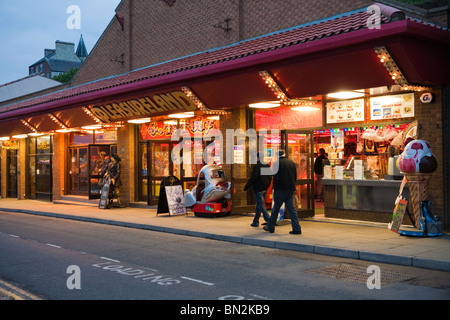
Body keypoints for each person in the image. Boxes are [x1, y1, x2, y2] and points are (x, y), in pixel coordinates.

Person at [263, 150, 302, 235]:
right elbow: (294, 176)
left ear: (277, 156)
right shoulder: (291, 163)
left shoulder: (277, 163)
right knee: (292, 209)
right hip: (290, 189)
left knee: (275, 209)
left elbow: (276, 177)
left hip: (280, 189)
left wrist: (275, 187)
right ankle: (297, 228)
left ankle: (270, 227)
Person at [244, 152, 272, 227]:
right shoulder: (266, 165)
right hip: (265, 188)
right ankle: (255, 221)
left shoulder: (257, 166)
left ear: (258, 157)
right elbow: (270, 177)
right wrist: (267, 185)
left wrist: (246, 186)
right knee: (258, 205)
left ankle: (269, 220)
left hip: (258, 188)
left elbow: (253, 177)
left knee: (261, 205)